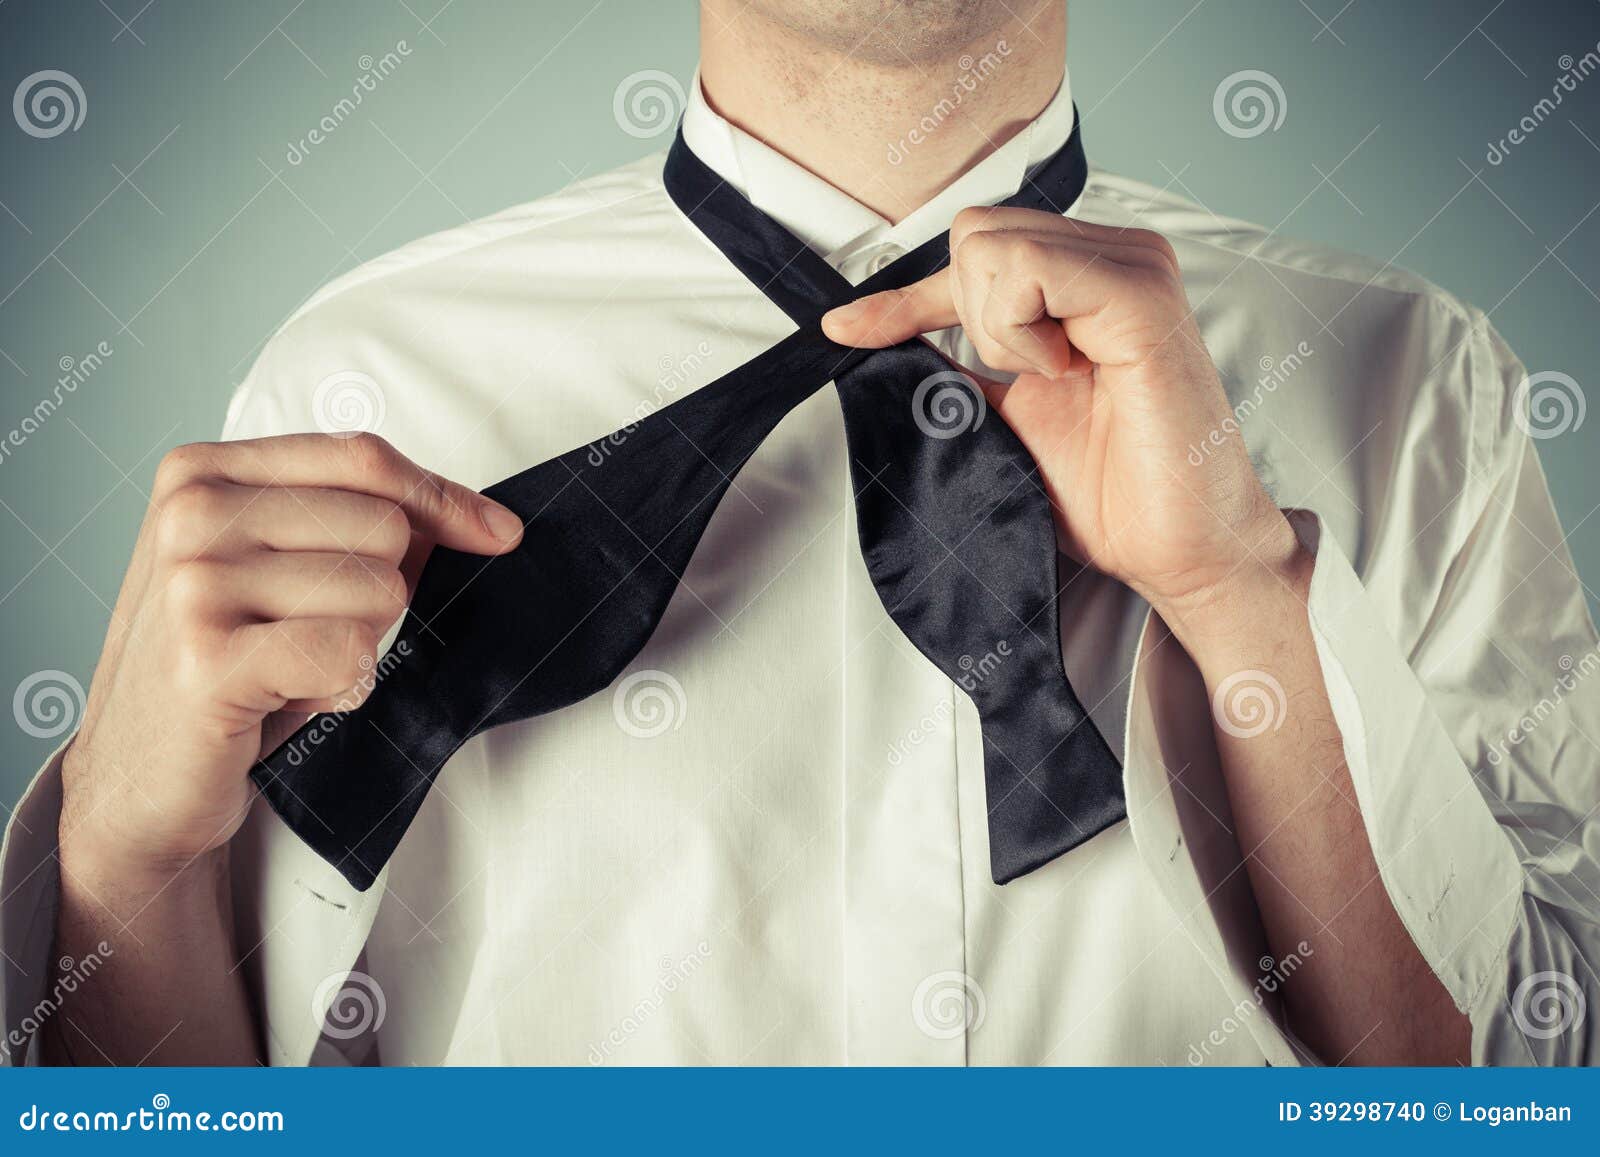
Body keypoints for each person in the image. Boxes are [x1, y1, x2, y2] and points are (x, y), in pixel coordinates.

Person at [3, 0, 1596, 1067]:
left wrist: (1245, 594)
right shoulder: (357, 386)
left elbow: (1538, 1078)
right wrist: (118, 861)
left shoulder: (1405, 382)